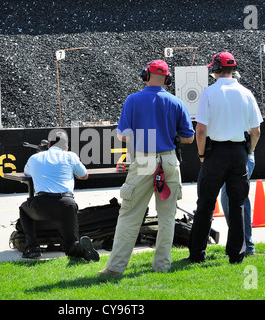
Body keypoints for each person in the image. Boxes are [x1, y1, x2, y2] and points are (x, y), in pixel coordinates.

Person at [98, 60, 194, 275]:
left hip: (143, 159)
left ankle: (115, 269)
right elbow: (188, 138)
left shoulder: (133, 100)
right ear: (167, 79)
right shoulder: (176, 102)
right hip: (169, 161)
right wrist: (169, 136)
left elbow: (123, 135)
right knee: (167, 218)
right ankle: (162, 267)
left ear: (145, 75)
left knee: (130, 215)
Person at [187, 51, 262, 264]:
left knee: (206, 204)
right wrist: (247, 151)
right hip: (239, 152)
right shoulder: (246, 93)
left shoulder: (209, 93)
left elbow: (200, 130)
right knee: (237, 204)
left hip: (215, 153)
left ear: (216, 70)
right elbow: (255, 131)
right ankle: (237, 255)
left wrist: (202, 154)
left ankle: (197, 254)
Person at [19, 130, 99, 262]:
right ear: (66, 147)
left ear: (49, 144)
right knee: (70, 247)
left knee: (24, 209)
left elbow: (26, 173)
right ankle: (80, 247)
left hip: (41, 204)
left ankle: (33, 249)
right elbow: (84, 175)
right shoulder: (70, 156)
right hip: (66, 204)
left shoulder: (35, 158)